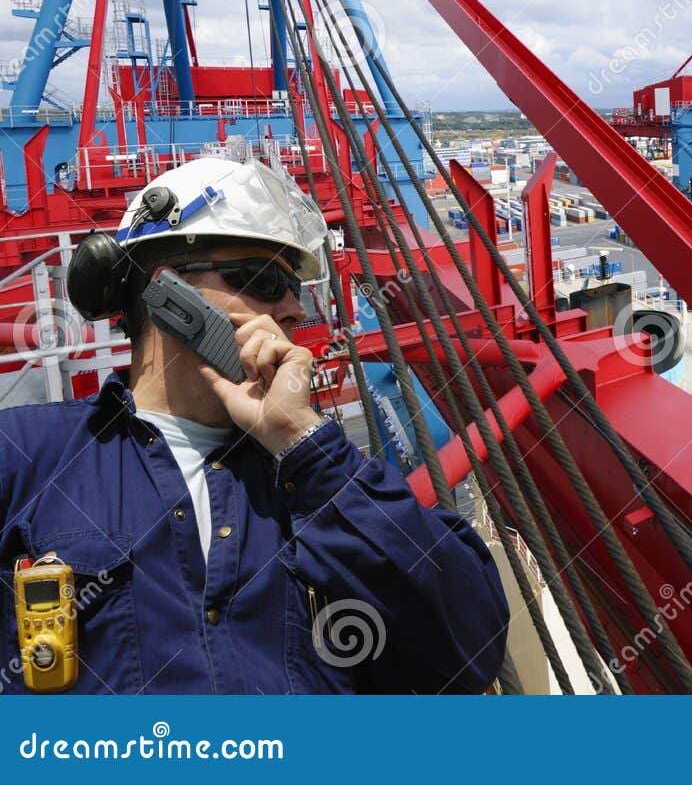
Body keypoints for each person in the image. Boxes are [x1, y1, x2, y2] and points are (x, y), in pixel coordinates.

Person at [0, 156, 510, 694]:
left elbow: (470, 653)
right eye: (264, 280)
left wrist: (300, 440)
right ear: (169, 294)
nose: (294, 309)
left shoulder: (321, 479)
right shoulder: (24, 455)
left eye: (295, 288)